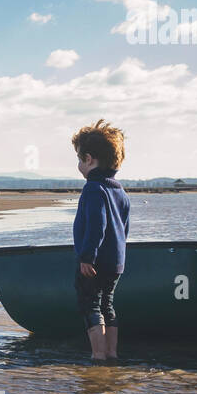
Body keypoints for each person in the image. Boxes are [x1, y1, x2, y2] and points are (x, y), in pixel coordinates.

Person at [71, 119, 130, 360]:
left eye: (78, 158)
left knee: (90, 305)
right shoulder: (120, 191)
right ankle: (112, 353)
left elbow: (97, 225)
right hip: (116, 261)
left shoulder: (93, 188)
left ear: (88, 159)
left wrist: (87, 256)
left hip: (93, 262)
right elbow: (123, 229)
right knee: (107, 304)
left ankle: (98, 355)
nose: (78, 164)